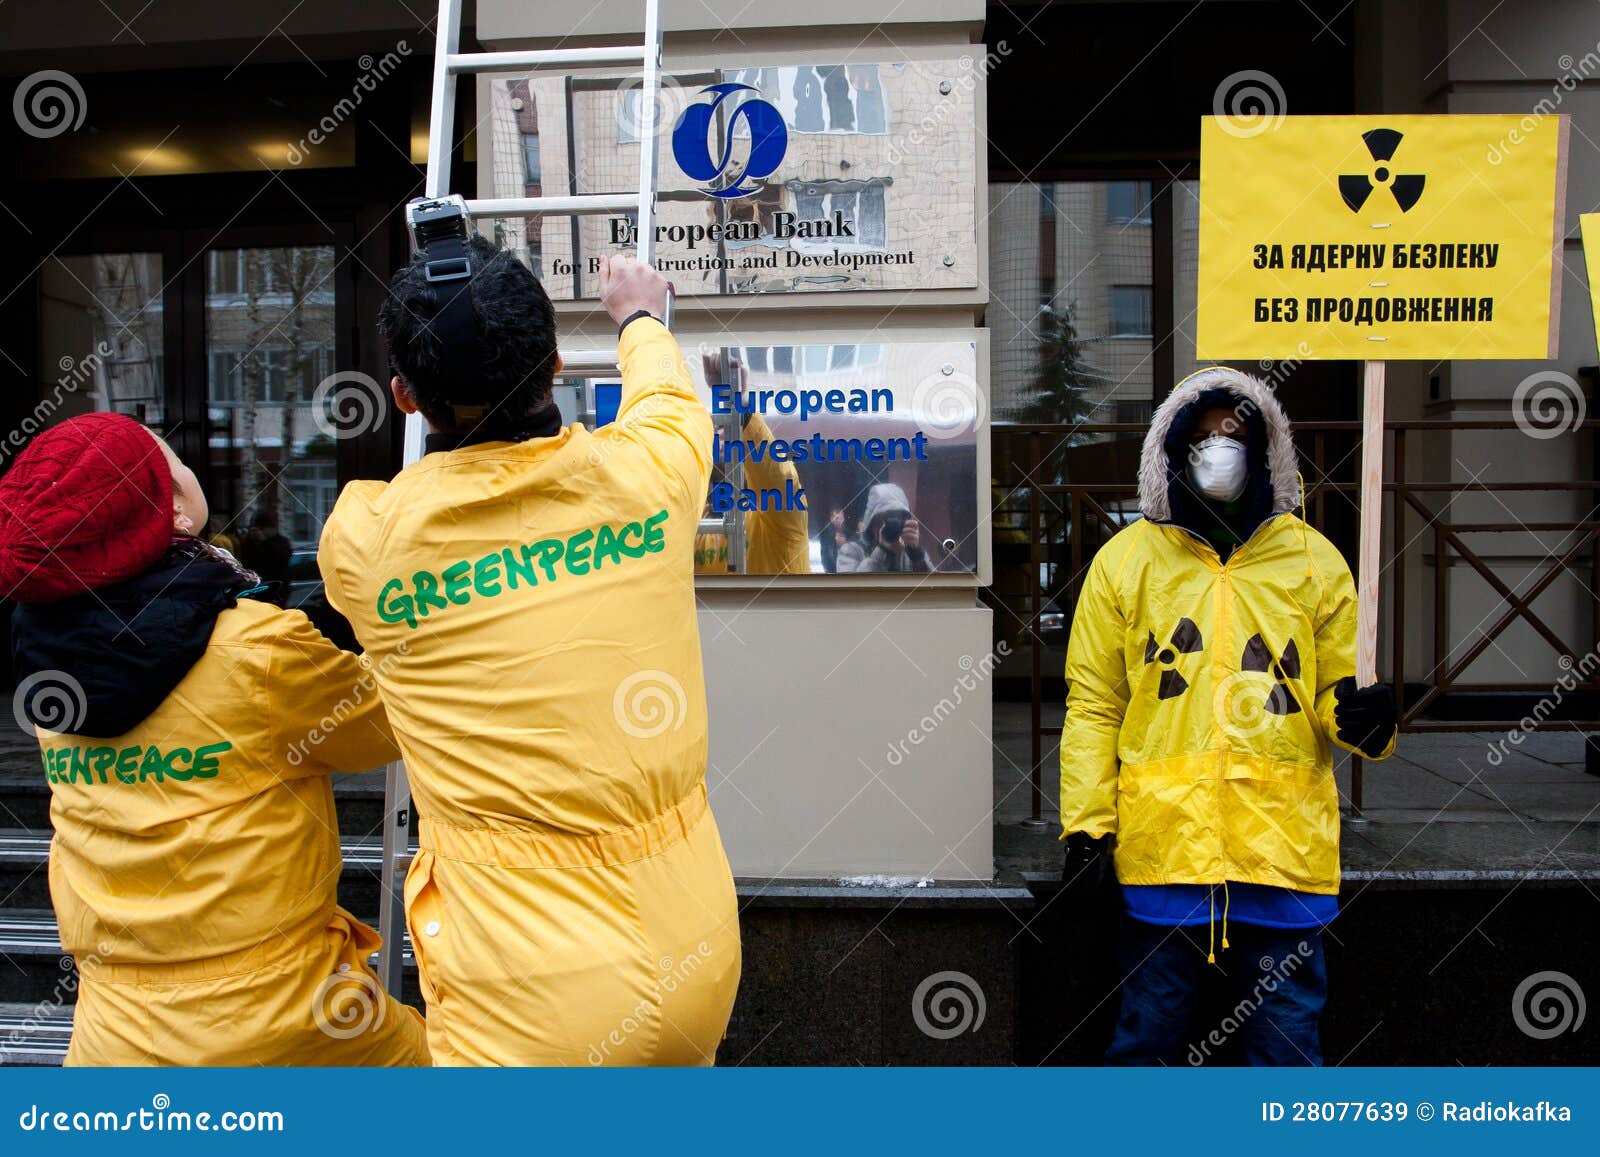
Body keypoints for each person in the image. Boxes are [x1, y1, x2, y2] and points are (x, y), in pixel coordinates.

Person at [317, 239, 741, 1066]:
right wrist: (641, 319)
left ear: (404, 396)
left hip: (528, 998)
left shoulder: (366, 542)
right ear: (553, 363)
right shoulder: (651, 473)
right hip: (694, 955)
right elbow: (664, 396)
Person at [0, 412, 427, 1067]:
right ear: (173, 511)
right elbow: (399, 716)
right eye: (169, 460)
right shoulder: (257, 649)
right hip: (288, 1020)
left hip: (112, 1035)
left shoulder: (44, 662)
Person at [1058, 367, 1398, 1067]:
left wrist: (1368, 718)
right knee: (1145, 1037)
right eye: (1205, 436)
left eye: (1237, 435)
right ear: (1174, 448)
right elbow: (1094, 703)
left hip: (1281, 850)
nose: (1220, 449)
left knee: (1286, 1045)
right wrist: (1088, 824)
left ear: (1267, 449)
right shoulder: (1125, 564)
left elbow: (1337, 692)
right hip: (1165, 850)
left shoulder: (1314, 561)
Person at [835, 481, 930, 572]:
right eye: (886, 519)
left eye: (897, 519)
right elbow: (853, 587)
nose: (891, 525)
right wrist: (882, 551)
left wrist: (917, 557)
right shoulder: (851, 551)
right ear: (871, 523)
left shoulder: (909, 552)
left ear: (905, 521)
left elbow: (933, 586)